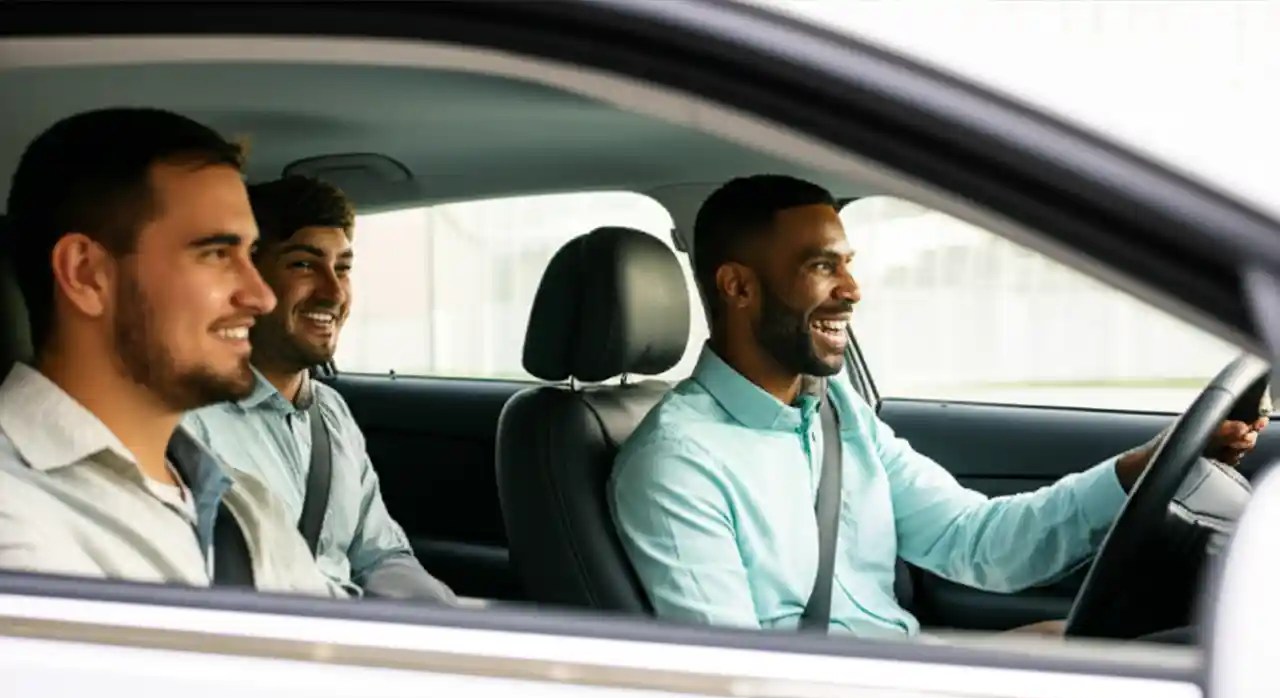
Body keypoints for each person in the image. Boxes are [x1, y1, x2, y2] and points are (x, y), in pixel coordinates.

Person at [609, 175, 1264, 636]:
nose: (853, 288)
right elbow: (736, 688)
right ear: (738, 286)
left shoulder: (835, 412)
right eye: (821, 266)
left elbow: (977, 542)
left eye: (848, 263)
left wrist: (1141, 469)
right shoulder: (676, 465)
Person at [0, 108, 342, 595]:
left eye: (249, 253)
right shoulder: (17, 518)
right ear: (86, 275)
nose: (261, 296)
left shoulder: (242, 504)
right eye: (216, 253)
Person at [183, 177, 456, 602]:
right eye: (304, 265)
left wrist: (443, 619)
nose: (333, 292)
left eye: (343, 268)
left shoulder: (331, 413)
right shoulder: (190, 421)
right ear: (248, 281)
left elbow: (380, 556)